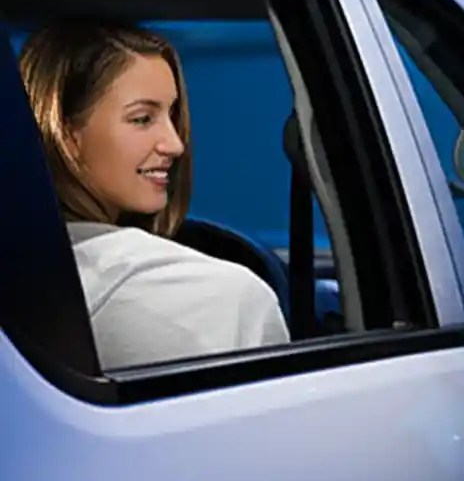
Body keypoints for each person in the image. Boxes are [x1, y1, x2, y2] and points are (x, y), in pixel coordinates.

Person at [19, 22, 289, 371]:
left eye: (172, 116)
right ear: (65, 134)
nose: (175, 144)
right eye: (143, 119)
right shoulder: (230, 300)